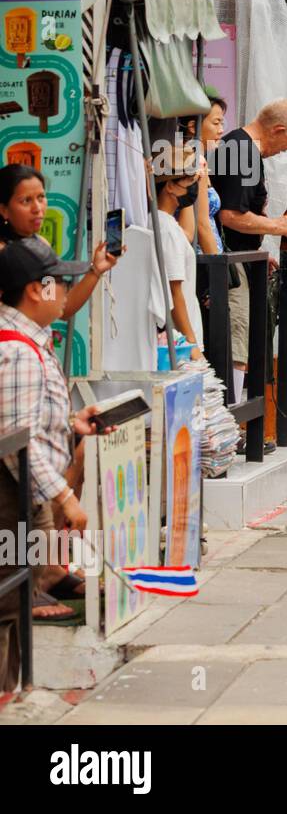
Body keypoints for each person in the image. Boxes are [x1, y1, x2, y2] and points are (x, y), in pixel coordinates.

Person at [0, 237, 103, 666]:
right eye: (58, 283)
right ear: (33, 291)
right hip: (15, 500)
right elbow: (14, 440)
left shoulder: (27, 341)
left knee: (16, 603)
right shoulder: (18, 351)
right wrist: (65, 496)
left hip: (27, 496)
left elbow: (26, 422)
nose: (64, 292)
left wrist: (69, 425)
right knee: (8, 604)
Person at [209, 99, 287, 404]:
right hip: (229, 265)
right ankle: (233, 423)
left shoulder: (240, 147)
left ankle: (240, 422)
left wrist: (258, 248)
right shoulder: (242, 151)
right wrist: (276, 226)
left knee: (243, 340)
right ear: (278, 130)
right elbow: (230, 215)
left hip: (238, 256)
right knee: (239, 341)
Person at [0, 165, 118, 319]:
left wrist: (95, 270)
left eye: (41, 197)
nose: (37, 208)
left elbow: (61, 307)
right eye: (26, 201)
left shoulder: (40, 244)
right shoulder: (3, 252)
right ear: (4, 210)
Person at [153, 145, 205, 357]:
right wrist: (192, 346)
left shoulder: (165, 225)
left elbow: (188, 233)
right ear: (170, 187)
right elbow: (175, 294)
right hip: (181, 343)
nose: (194, 185)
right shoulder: (166, 230)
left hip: (179, 339)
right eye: (189, 181)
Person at [179, 93, 226, 256]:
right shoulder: (193, 161)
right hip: (202, 260)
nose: (221, 130)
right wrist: (218, 269)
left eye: (222, 123)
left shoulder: (195, 157)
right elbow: (202, 223)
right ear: (193, 127)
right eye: (216, 123)